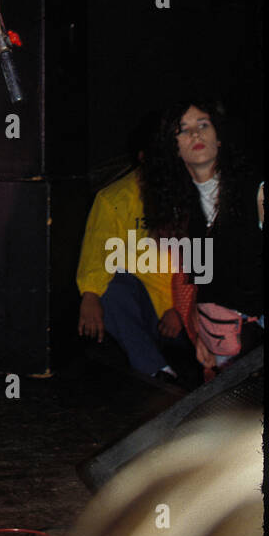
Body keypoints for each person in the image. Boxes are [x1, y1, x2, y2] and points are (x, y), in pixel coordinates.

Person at [139, 98, 263, 378]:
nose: (195, 134)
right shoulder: (179, 208)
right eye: (183, 129)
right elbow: (194, 279)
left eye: (203, 125)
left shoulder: (253, 187)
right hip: (222, 332)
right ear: (175, 149)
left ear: (219, 138)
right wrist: (197, 335)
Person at [76, 165, 194, 385]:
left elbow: (201, 260)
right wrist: (90, 294)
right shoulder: (116, 198)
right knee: (109, 287)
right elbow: (99, 253)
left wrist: (179, 308)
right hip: (148, 310)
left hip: (189, 311)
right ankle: (157, 371)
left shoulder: (192, 190)